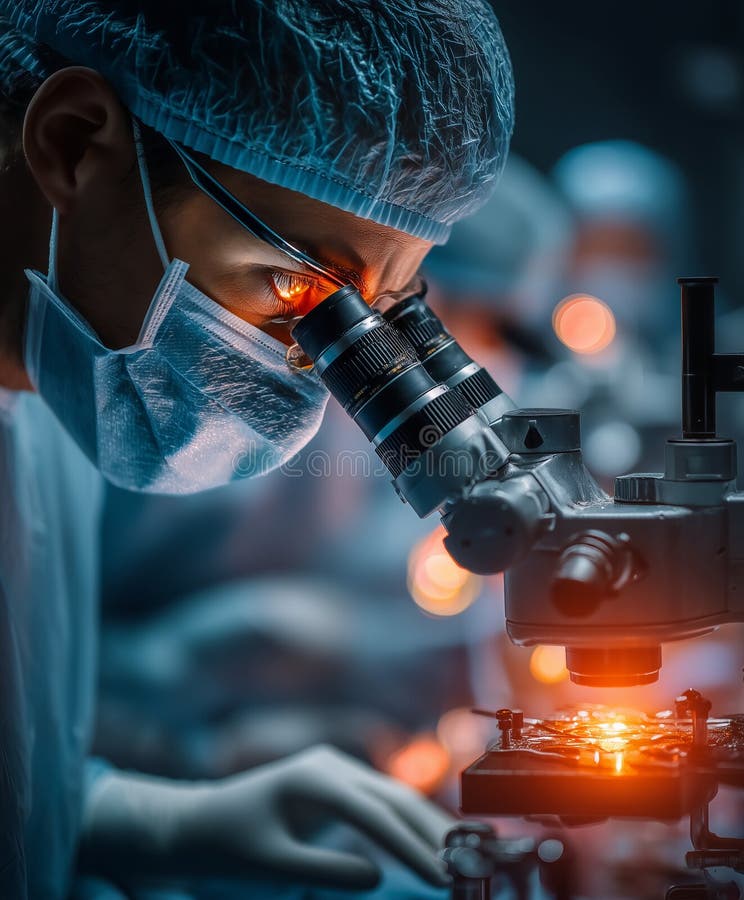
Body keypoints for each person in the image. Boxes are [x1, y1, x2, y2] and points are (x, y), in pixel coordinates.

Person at [0, 0, 514, 897]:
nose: (316, 371)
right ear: (75, 143)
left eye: (386, 313)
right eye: (292, 284)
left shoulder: (44, 407)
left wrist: (126, 819)